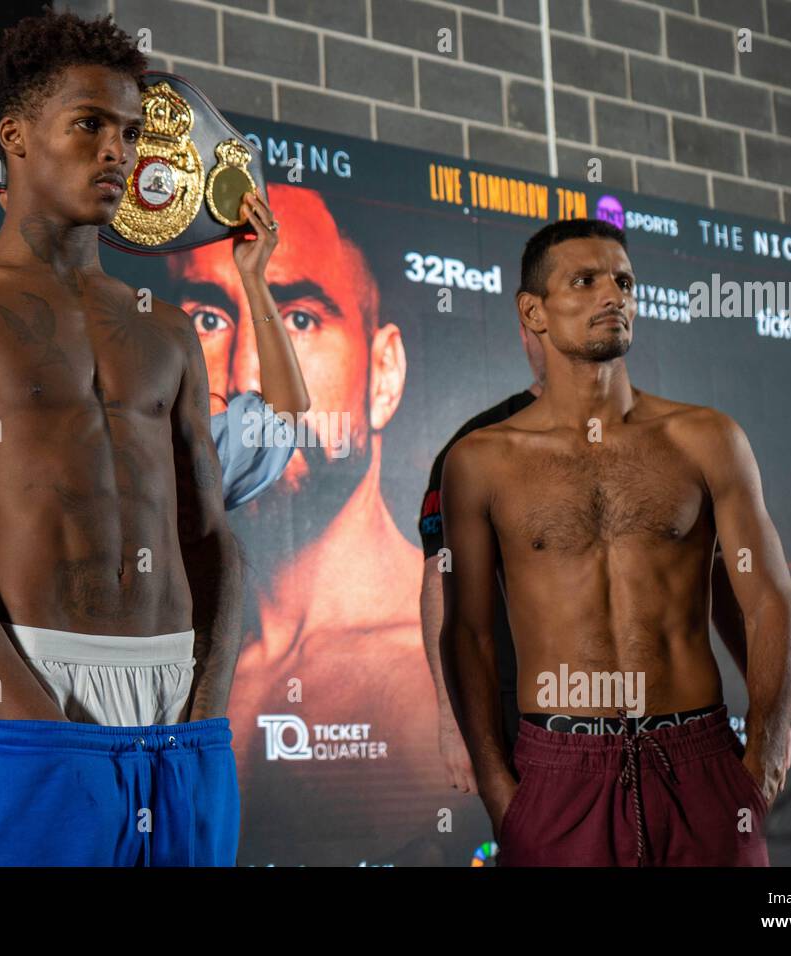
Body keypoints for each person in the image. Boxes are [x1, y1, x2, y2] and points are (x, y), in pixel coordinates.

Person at [0, 11, 243, 866]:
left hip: (180, 715)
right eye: (90, 126)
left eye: (130, 132)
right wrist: (27, 717)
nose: (118, 151)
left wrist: (208, 703)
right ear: (16, 136)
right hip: (35, 692)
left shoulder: (166, 327)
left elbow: (212, 534)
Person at [441, 218, 791, 866]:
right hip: (558, 773)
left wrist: (765, 752)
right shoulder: (481, 461)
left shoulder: (707, 438)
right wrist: (500, 790)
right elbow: (467, 631)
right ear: (534, 312)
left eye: (624, 280)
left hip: (699, 762)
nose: (615, 294)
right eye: (586, 280)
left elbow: (769, 601)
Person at [167, 184, 484, 865]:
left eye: (301, 320)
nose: (248, 374)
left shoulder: (446, 667)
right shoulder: (167, 652)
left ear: (384, 373)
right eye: (209, 319)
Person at [0, 184, 309, 709]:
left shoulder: (174, 445)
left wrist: (254, 279)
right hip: (13, 688)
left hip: (152, 685)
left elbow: (283, 414)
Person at [419, 326, 753, 794]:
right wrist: (454, 727)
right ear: (527, 327)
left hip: (675, 724)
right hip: (535, 722)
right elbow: (441, 582)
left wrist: (766, 716)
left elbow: (720, 575)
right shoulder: (477, 447)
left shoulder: (676, 438)